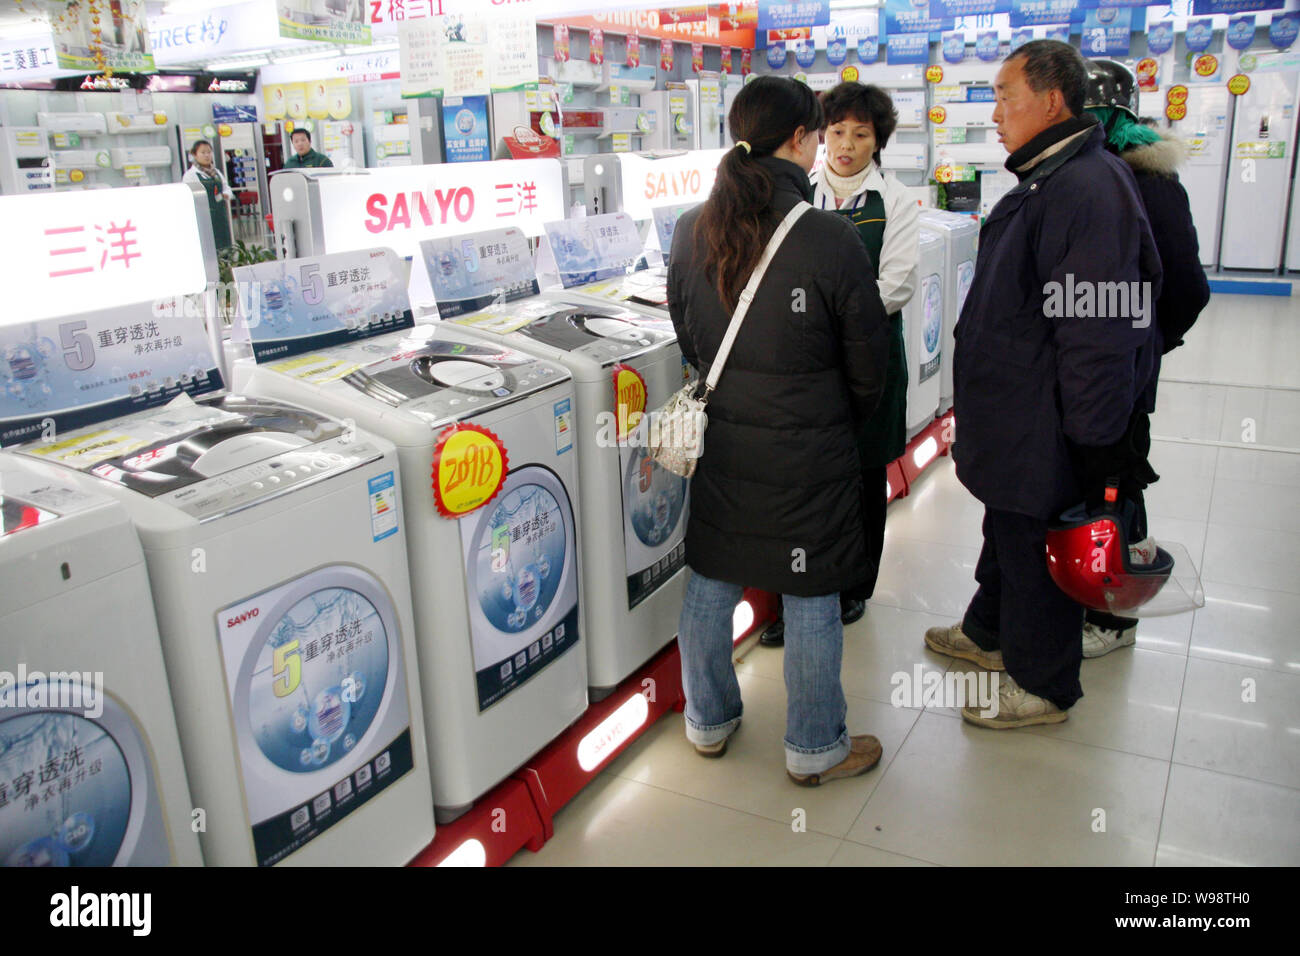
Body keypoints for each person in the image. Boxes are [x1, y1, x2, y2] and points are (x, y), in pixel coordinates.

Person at [923, 40, 1163, 728]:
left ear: (1051, 100)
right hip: (1017, 415)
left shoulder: (1087, 189)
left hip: (1048, 422)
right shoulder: (1052, 174)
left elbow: (1096, 331)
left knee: (1037, 547)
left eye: (1005, 95)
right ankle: (988, 632)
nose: (995, 111)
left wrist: (1094, 440)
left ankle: (1042, 686)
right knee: (1009, 529)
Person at [667, 76, 892, 785]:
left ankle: (706, 722)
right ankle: (814, 747)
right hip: (809, 453)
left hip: (725, 445)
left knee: (711, 581)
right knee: (811, 593)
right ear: (802, 140)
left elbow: (688, 335)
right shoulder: (827, 236)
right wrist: (835, 421)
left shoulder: (689, 227)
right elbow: (868, 363)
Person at [762, 82, 919, 646]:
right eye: (837, 133)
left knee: (862, 473)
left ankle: (854, 587)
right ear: (819, 136)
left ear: (878, 141)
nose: (847, 145)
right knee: (804, 478)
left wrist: (829, 319)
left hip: (869, 357)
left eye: (861, 134)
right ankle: (798, 593)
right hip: (806, 361)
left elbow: (895, 284)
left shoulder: (895, 200)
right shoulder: (798, 191)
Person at [1080, 59, 1210, 658]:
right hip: (1082, 365)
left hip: (1124, 368)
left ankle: (1114, 616)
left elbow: (1187, 284)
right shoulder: (1078, 173)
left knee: (1119, 479)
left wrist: (1149, 343)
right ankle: (1086, 587)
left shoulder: (1148, 181)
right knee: (1091, 479)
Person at [182, 140, 234, 252]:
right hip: (204, 217)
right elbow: (189, 196)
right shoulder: (190, 175)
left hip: (220, 216)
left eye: (209, 152)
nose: (207, 155)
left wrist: (226, 195)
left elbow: (227, 188)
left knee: (225, 248)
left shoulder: (216, 172)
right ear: (195, 155)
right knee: (209, 248)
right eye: (203, 152)